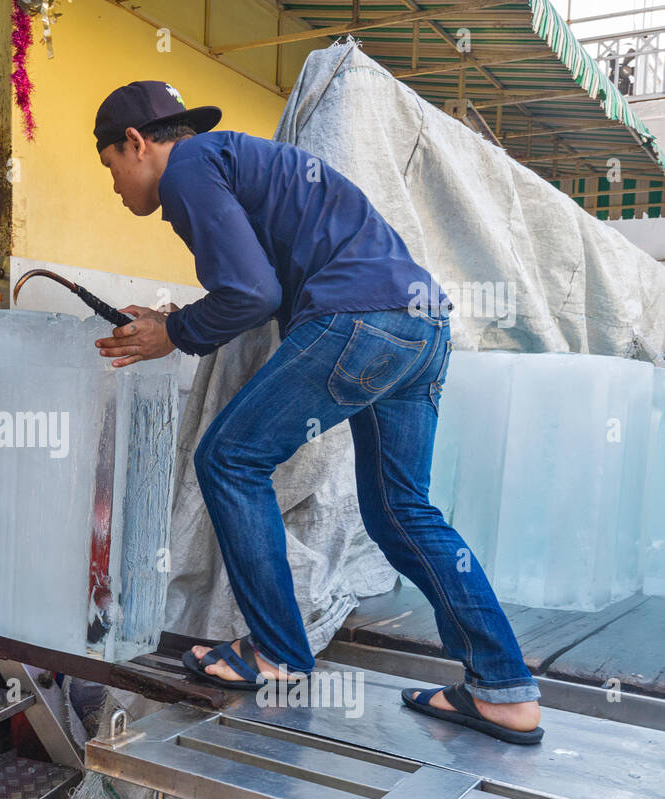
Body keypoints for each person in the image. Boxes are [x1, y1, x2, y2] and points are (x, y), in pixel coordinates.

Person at [92, 80, 543, 744]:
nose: (114, 187)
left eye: (109, 168)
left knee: (228, 459)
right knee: (400, 512)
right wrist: (171, 320)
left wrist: (174, 333)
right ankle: (504, 688)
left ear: (136, 142)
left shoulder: (188, 167)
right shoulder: (240, 162)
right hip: (422, 328)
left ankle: (275, 655)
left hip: (359, 318)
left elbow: (249, 291)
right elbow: (263, 281)